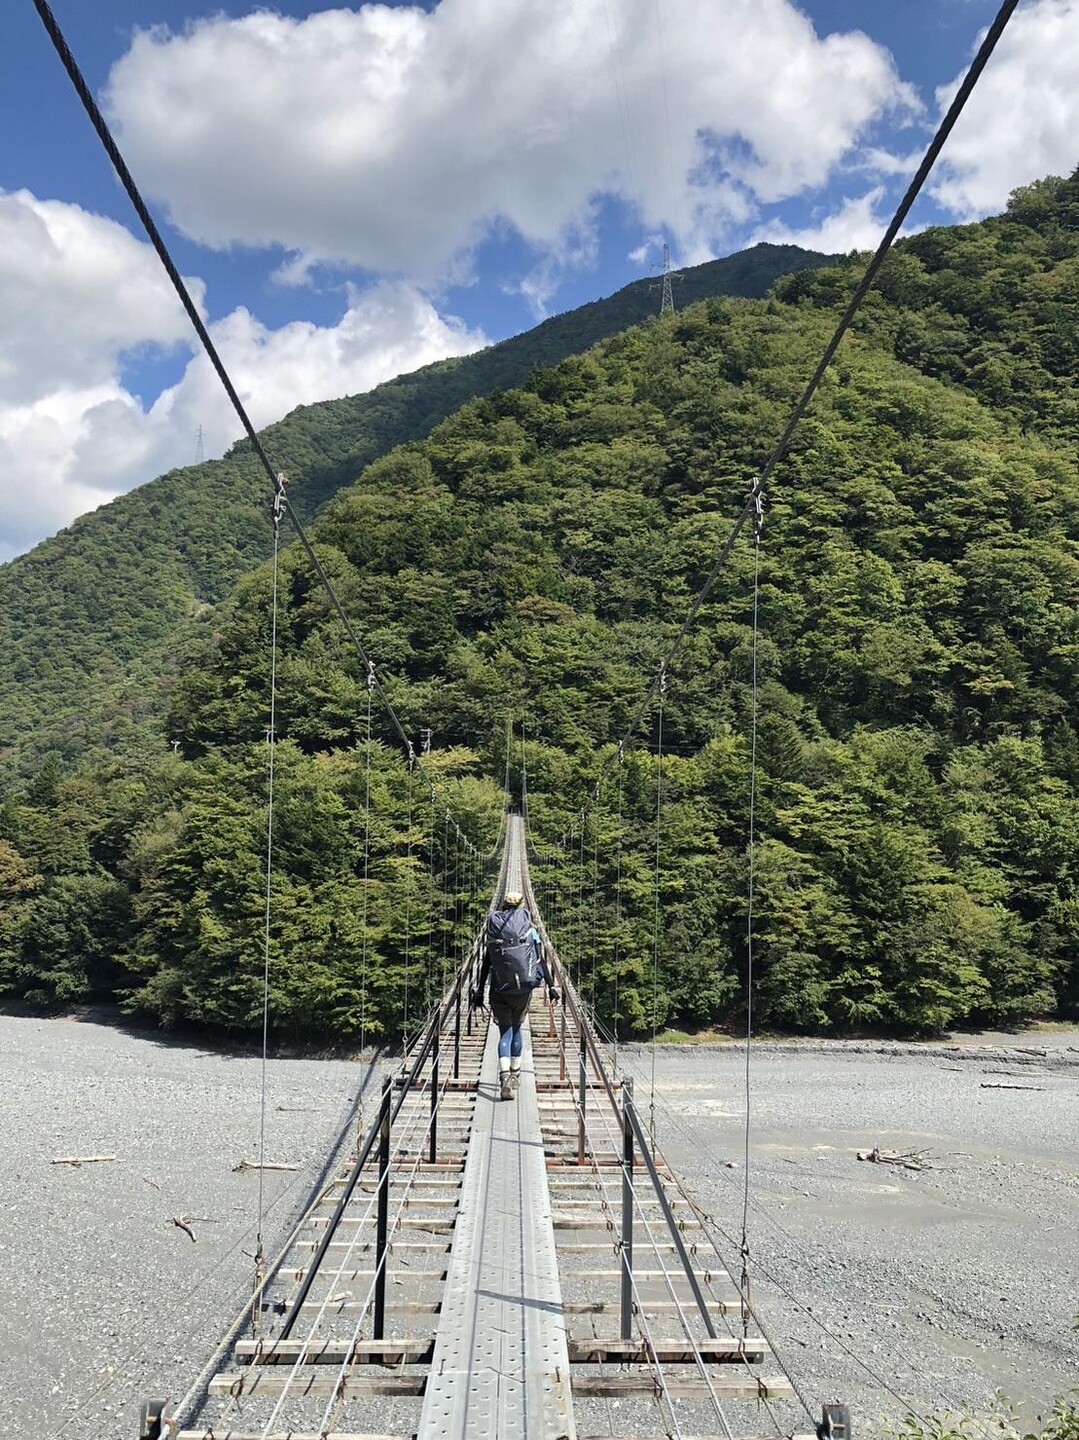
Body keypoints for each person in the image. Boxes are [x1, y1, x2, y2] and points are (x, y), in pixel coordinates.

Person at [472, 890, 558, 1100]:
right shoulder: (529, 928)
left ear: (503, 904)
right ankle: (515, 1075)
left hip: (499, 989)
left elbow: (486, 962)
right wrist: (551, 987)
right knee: (518, 1029)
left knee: (505, 1034)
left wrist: (480, 990)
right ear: (521, 905)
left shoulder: (494, 928)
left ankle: (504, 1078)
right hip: (522, 990)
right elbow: (539, 960)